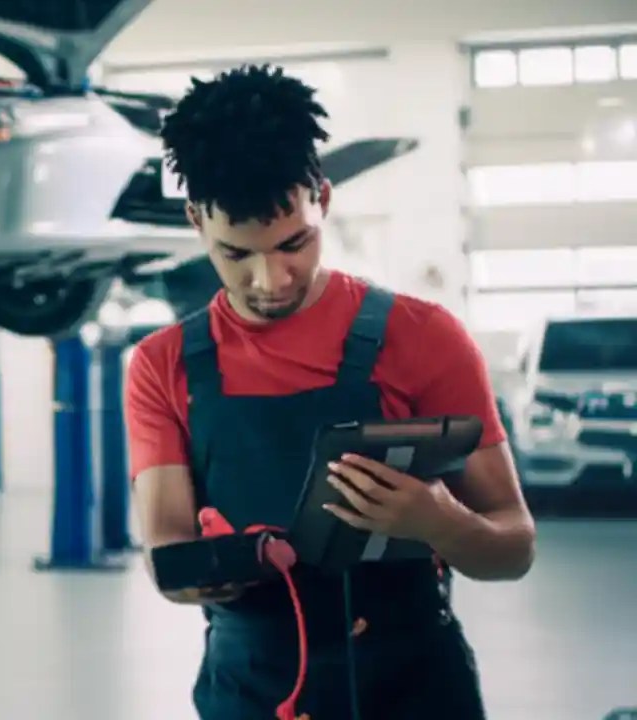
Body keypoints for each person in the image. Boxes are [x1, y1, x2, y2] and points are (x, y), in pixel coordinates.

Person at [124, 64, 536, 720]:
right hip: (253, 690)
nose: (271, 279)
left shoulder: (424, 337)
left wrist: (436, 521)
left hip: (415, 688)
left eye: (295, 244)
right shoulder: (161, 365)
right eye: (237, 253)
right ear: (196, 220)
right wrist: (205, 571)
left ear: (324, 197)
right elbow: (165, 553)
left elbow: (514, 546)